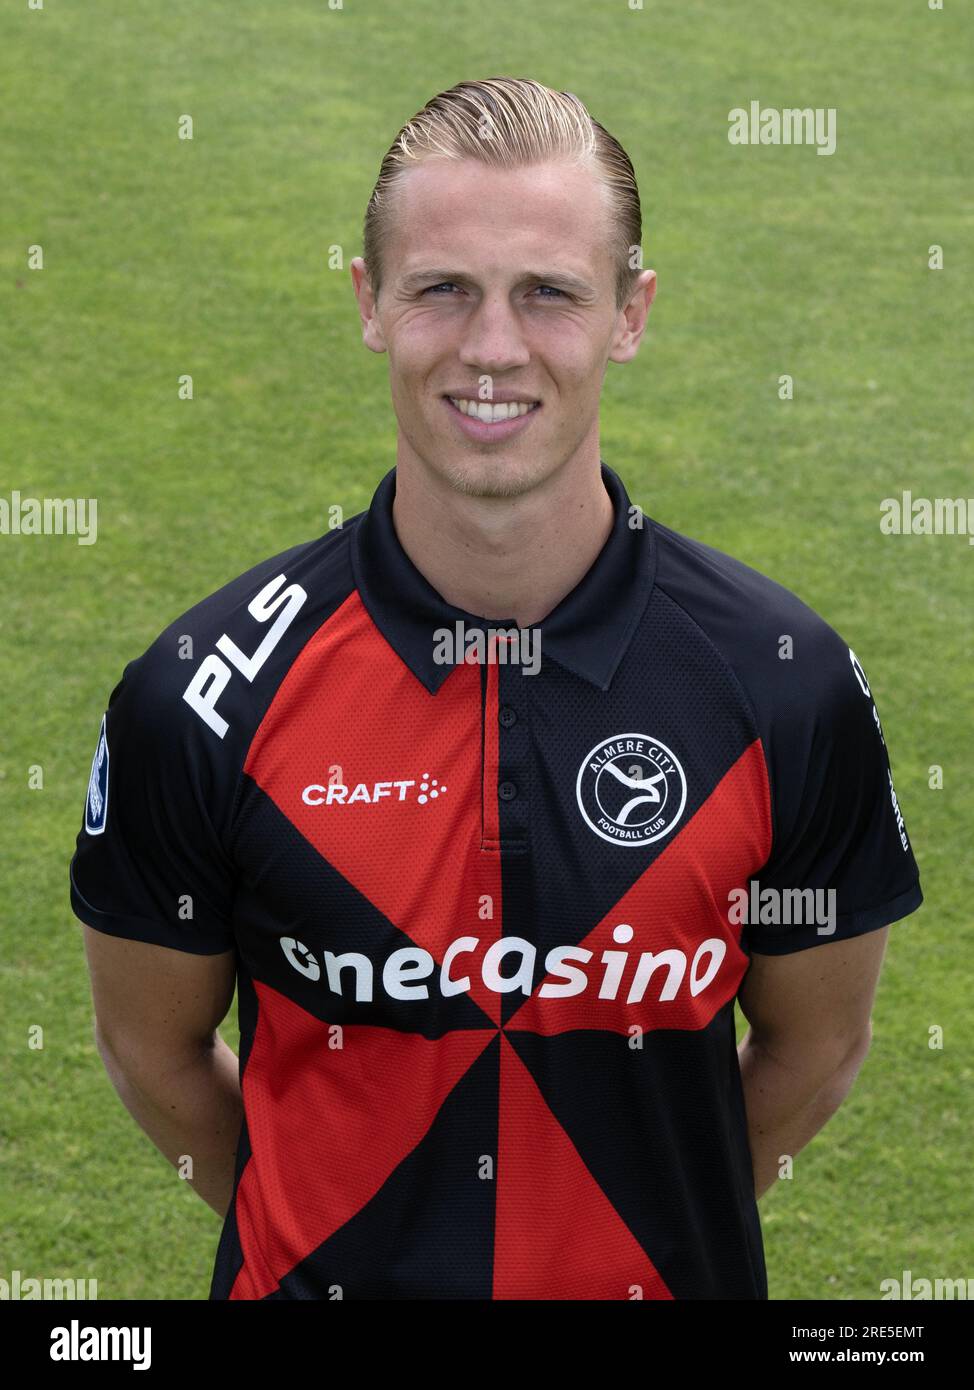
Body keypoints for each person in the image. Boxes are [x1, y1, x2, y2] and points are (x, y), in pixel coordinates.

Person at [69, 76, 922, 1300]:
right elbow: (150, 1050)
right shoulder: (200, 698)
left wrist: (639, 1223)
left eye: (548, 294)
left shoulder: (783, 686)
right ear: (369, 304)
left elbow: (818, 1044)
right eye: (442, 289)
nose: (490, 349)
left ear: (629, 314)